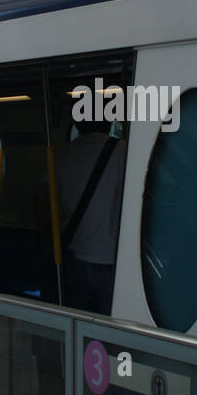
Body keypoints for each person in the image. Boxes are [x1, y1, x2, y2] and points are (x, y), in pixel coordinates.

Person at [55, 117, 124, 314]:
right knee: (112, 327)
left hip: (75, 256)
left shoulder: (67, 152)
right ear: (109, 121)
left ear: (77, 123)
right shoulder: (123, 151)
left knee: (78, 324)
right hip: (112, 258)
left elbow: (44, 196)